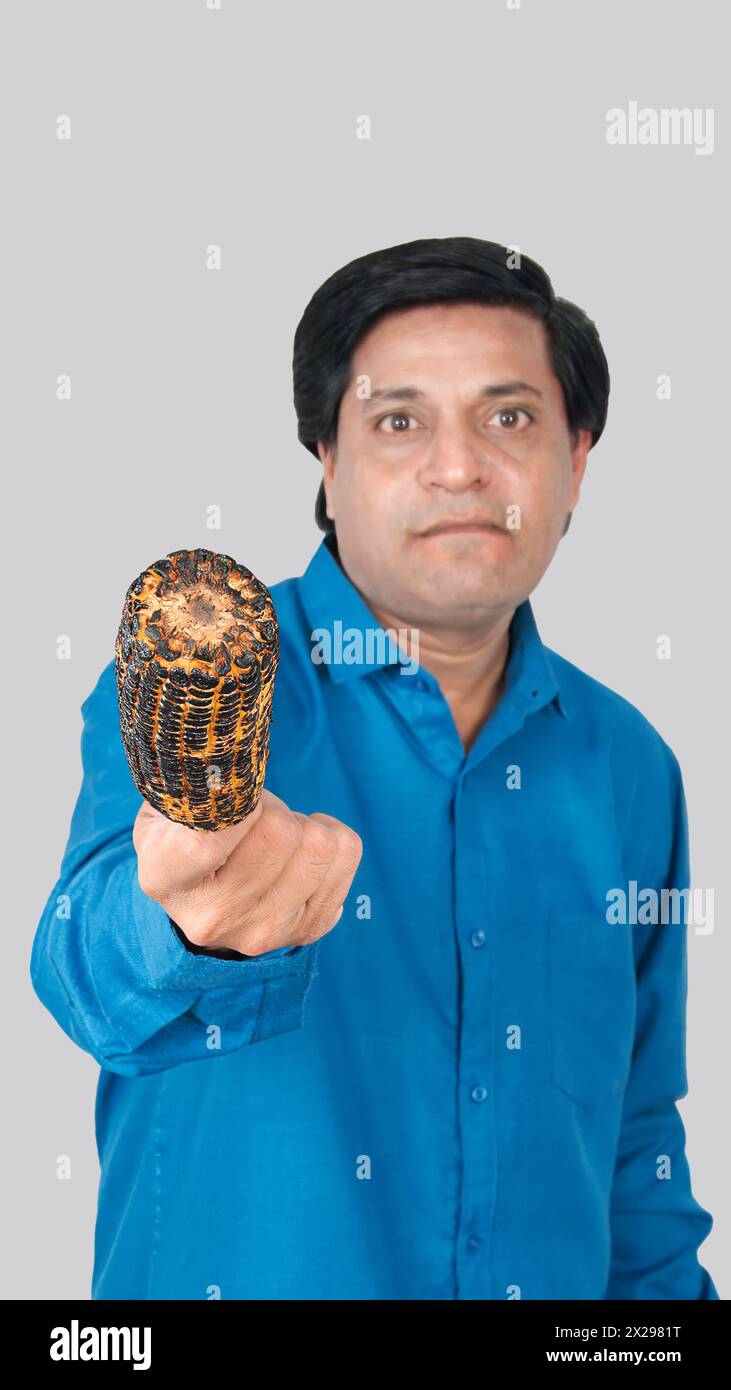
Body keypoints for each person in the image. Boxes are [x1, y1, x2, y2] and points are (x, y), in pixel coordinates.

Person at [31, 237, 718, 1300]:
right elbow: (83, 978)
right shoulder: (213, 688)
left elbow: (634, 1147)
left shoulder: (627, 764)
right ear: (328, 461)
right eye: (398, 420)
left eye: (508, 417)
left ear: (575, 460)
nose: (458, 466)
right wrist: (176, 919)